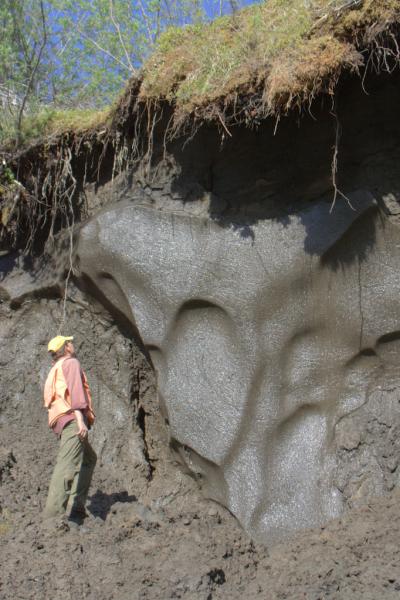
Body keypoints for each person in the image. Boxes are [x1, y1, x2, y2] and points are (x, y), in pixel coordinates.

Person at [43, 335, 96, 522]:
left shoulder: (54, 368)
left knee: (89, 458)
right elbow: (76, 392)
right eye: (70, 342)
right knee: (66, 466)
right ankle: (52, 520)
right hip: (72, 418)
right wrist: (80, 420)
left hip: (61, 420)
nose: (73, 344)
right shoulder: (71, 363)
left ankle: (76, 508)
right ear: (66, 348)